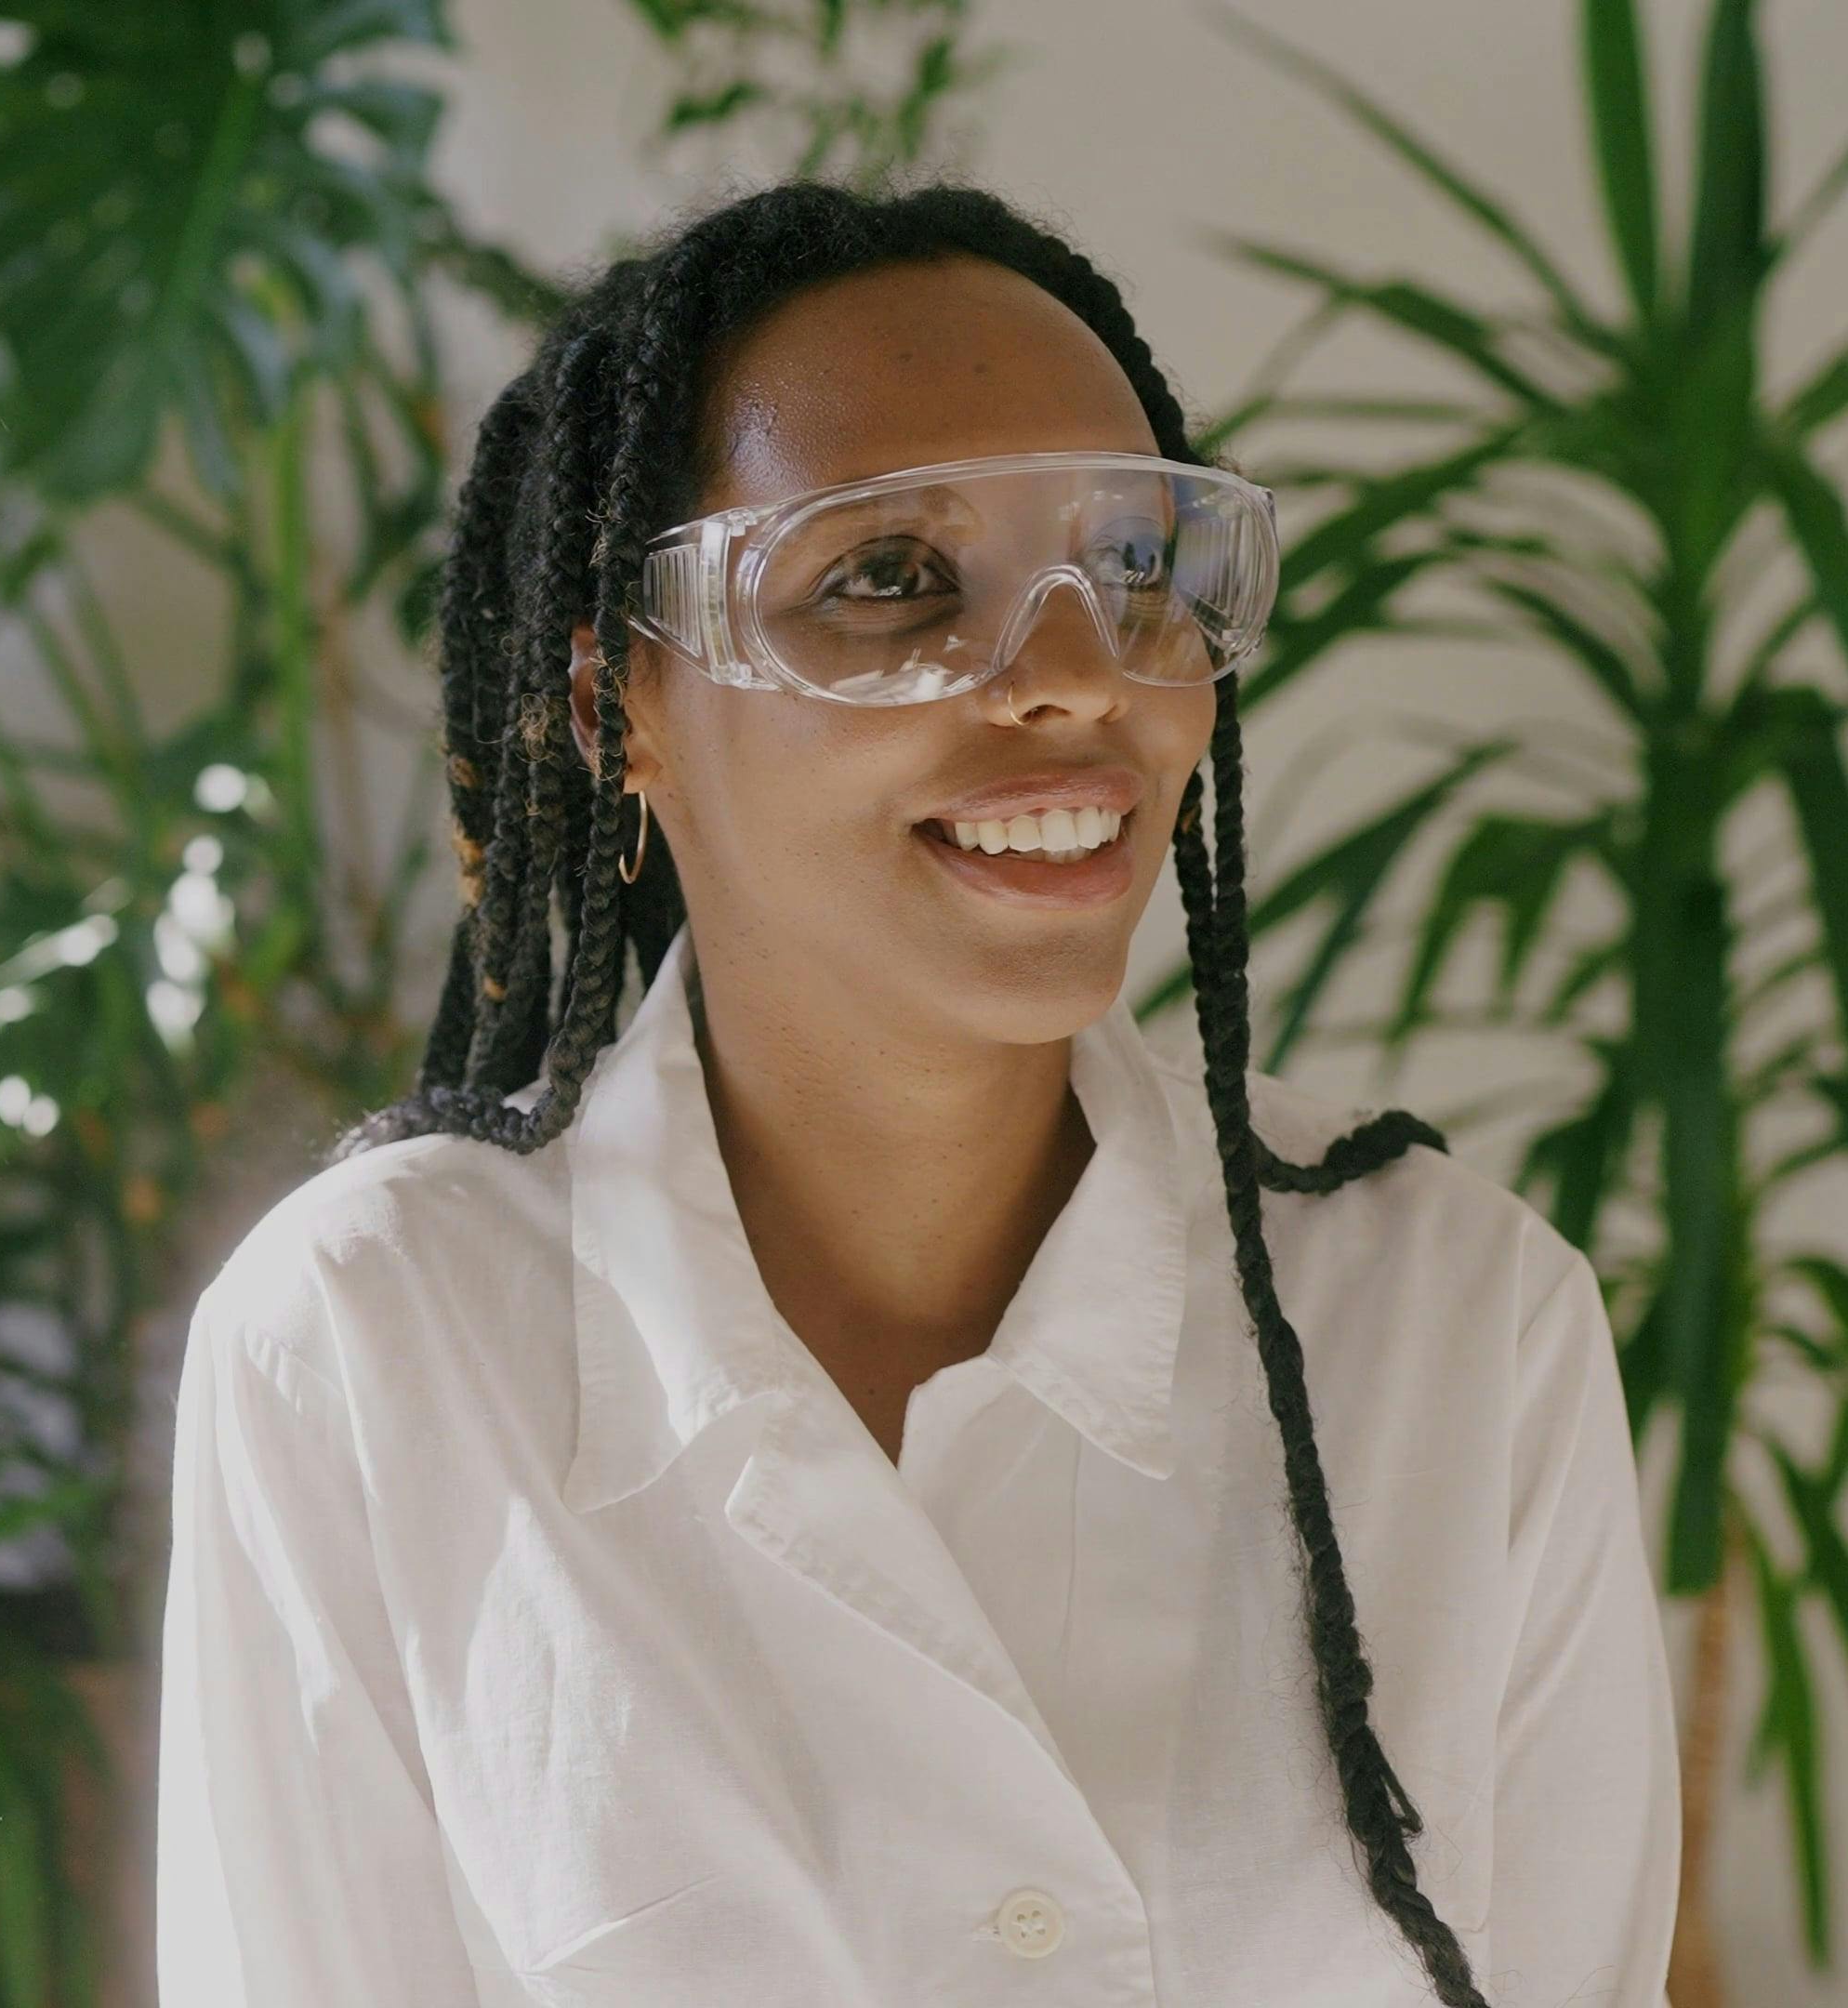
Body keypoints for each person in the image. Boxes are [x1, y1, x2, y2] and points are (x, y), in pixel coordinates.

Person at [152, 178, 1680, 2007]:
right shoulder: (374, 1348)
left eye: (1134, 568)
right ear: (613, 703)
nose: (1069, 683)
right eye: (887, 579)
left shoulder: (1459, 1327)